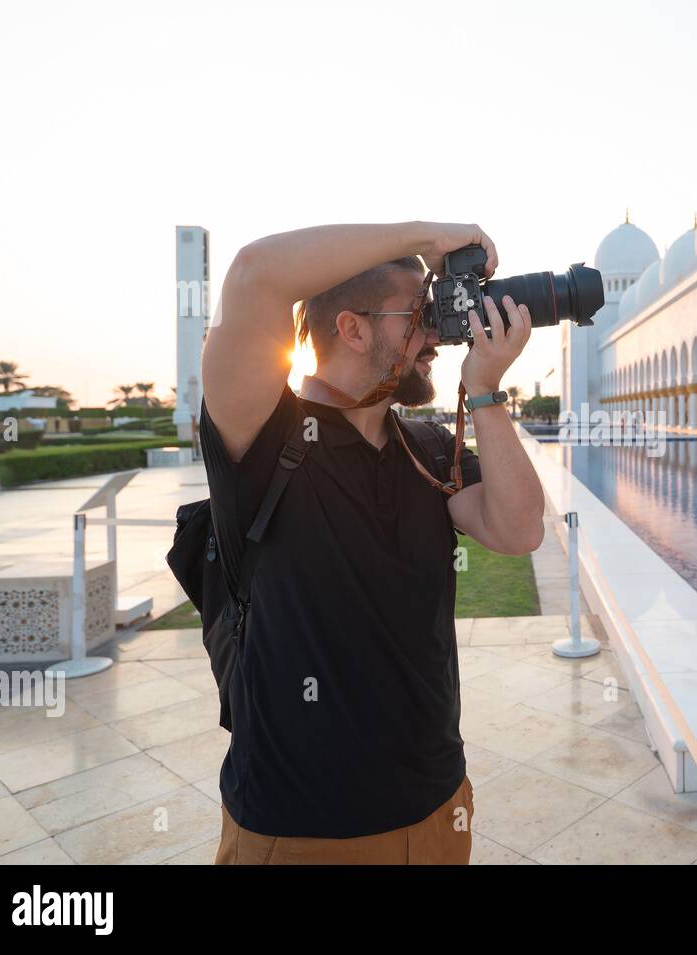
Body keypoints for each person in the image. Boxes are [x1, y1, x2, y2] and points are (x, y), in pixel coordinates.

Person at [201, 221, 545, 864]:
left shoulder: (430, 450)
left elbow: (520, 529)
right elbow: (254, 274)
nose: (438, 335)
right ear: (352, 328)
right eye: (420, 313)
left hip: (438, 805)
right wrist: (428, 236)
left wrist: (488, 390)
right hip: (300, 827)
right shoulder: (263, 431)